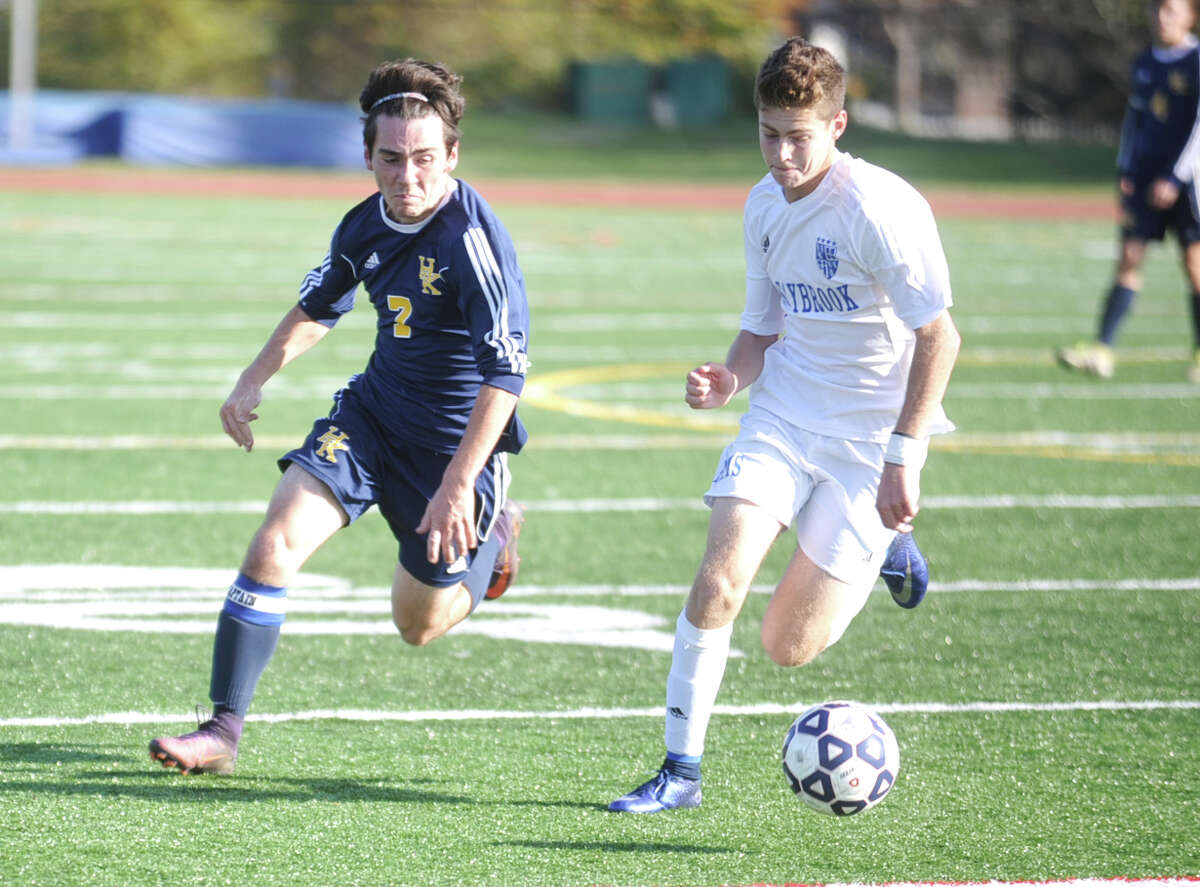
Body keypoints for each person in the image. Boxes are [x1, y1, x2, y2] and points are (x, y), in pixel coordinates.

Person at [149, 58, 530, 775]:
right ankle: (223, 730)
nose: (407, 178)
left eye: (423, 159)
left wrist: (458, 484)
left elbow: (505, 374)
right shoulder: (363, 225)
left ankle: (496, 535)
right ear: (367, 156)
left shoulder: (471, 243)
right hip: (371, 417)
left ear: (451, 155)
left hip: (453, 451)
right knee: (273, 542)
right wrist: (251, 378)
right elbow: (320, 306)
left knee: (417, 625)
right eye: (391, 159)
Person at [608, 38, 960, 813]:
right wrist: (729, 378)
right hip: (784, 417)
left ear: (838, 125)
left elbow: (940, 337)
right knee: (718, 581)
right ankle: (680, 771)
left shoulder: (881, 209)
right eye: (769, 133)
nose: (781, 153)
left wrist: (907, 455)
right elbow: (760, 331)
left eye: (799, 135)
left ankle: (887, 548)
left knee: (785, 646)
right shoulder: (762, 205)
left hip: (872, 443)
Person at [1058, 0, 1200, 383]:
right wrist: (1126, 169)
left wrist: (1176, 176)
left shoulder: (1197, 60)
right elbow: (1134, 120)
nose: (1162, 17)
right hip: (1143, 179)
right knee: (1129, 259)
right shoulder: (1144, 62)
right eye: (1158, 9)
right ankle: (1102, 349)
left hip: (1186, 183)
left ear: (1191, 16)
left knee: (1194, 266)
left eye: (1172, 10)